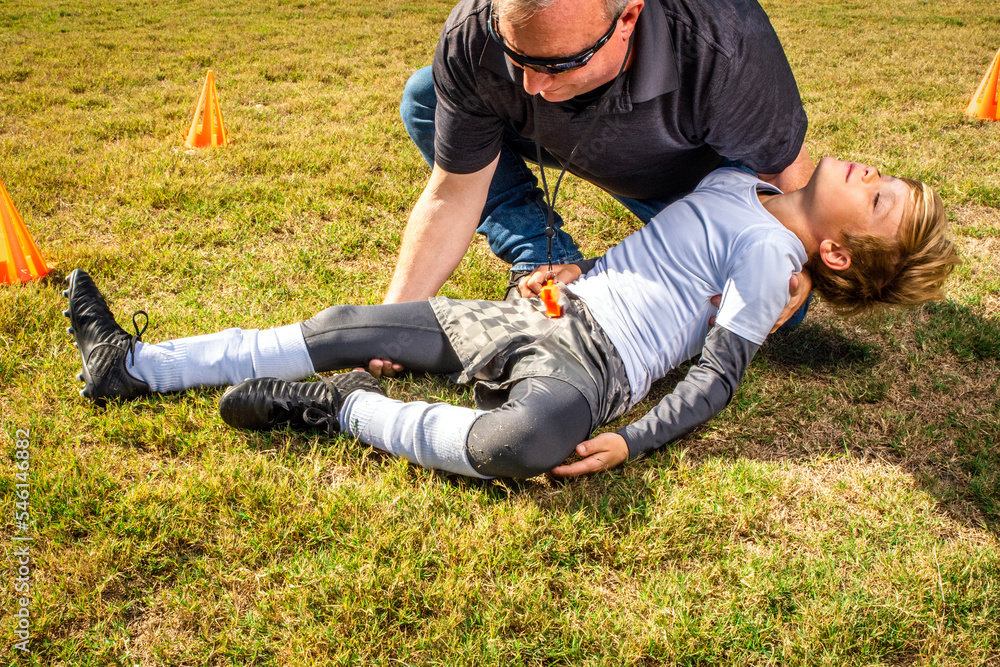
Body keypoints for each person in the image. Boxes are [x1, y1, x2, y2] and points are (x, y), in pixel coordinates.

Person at [64, 158, 957, 479]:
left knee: (519, 445)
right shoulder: (741, 178)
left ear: (836, 254)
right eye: (882, 177)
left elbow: (719, 373)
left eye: (876, 197)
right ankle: (133, 365)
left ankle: (331, 409)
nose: (868, 171)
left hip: (591, 371)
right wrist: (569, 270)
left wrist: (634, 439)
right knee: (353, 322)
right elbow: (657, 260)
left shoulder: (774, 261)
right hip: (543, 312)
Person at [370, 0, 816, 377]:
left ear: (628, 19)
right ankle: (542, 259)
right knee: (427, 94)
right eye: (515, 55)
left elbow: (785, 173)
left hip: (703, 187)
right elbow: (454, 193)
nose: (531, 85)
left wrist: (803, 268)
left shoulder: (723, 39)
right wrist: (385, 325)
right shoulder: (475, 31)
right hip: (568, 140)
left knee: (785, 309)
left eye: (557, 64)